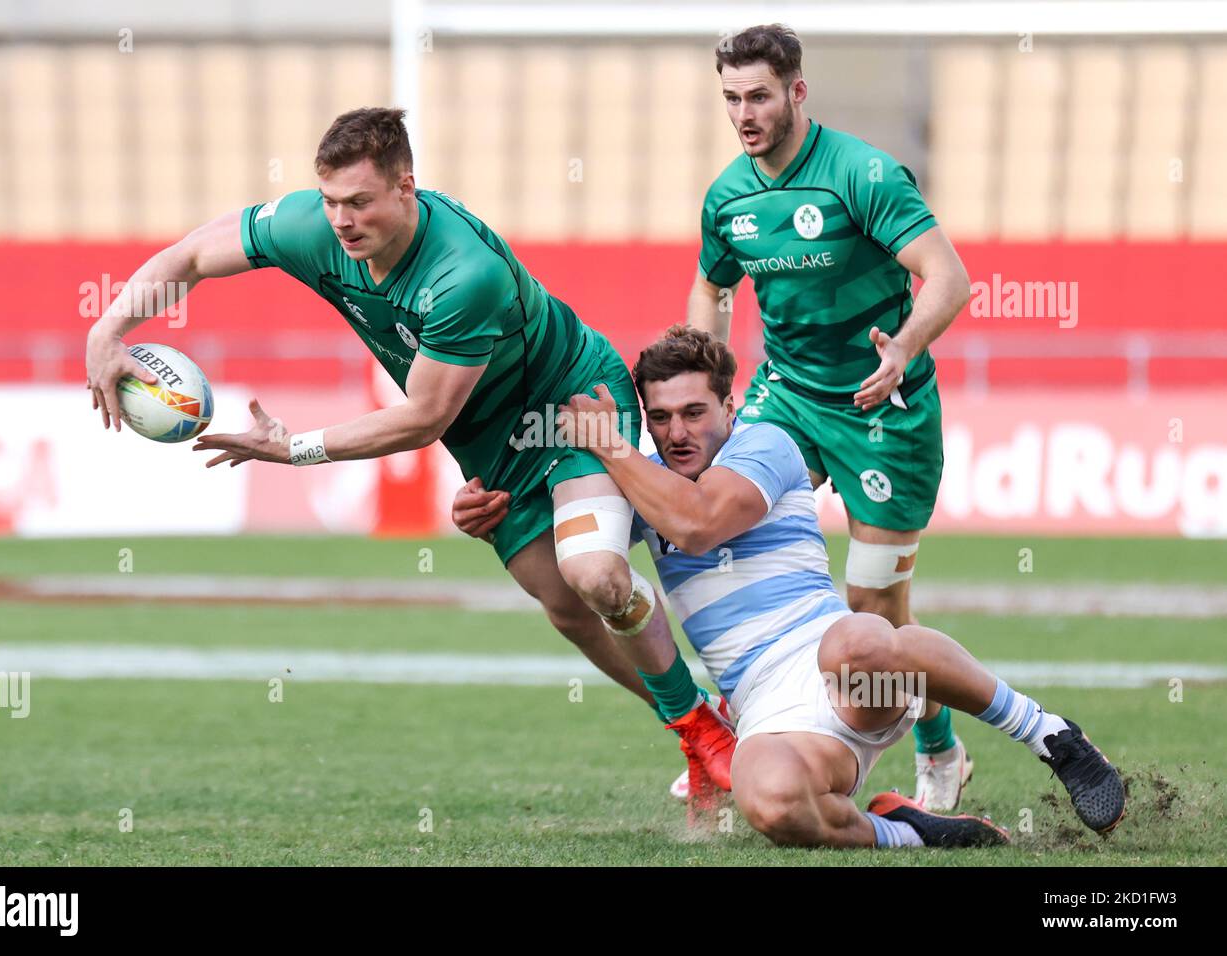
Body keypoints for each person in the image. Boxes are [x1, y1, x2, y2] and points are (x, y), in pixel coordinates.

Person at [83, 107, 735, 788]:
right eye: (332, 201)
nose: (342, 220)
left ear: (406, 188)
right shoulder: (311, 226)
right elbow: (190, 257)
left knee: (593, 574)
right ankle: (701, 727)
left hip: (567, 399)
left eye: (361, 201)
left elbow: (423, 417)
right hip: (486, 436)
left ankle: (704, 652)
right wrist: (110, 326)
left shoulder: (462, 275)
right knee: (568, 607)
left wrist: (292, 448)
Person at [458, 326, 1126, 847]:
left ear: (730, 401)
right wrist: (499, 526)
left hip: (842, 673)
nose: (678, 432)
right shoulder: (642, 476)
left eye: (695, 411)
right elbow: (574, 587)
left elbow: (697, 524)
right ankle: (909, 832)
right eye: (660, 417)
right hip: (770, 715)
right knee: (768, 801)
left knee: (862, 640)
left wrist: (611, 449)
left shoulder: (765, 444)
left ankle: (1051, 737)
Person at [687, 24, 976, 809]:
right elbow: (713, 289)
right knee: (717, 529)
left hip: (884, 407)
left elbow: (949, 279)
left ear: (796, 92)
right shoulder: (728, 197)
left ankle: (940, 748)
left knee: (873, 611)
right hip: (788, 395)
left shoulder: (862, 175)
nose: (744, 114)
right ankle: (730, 731)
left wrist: (902, 350)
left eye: (758, 96)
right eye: (731, 99)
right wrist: (712, 381)